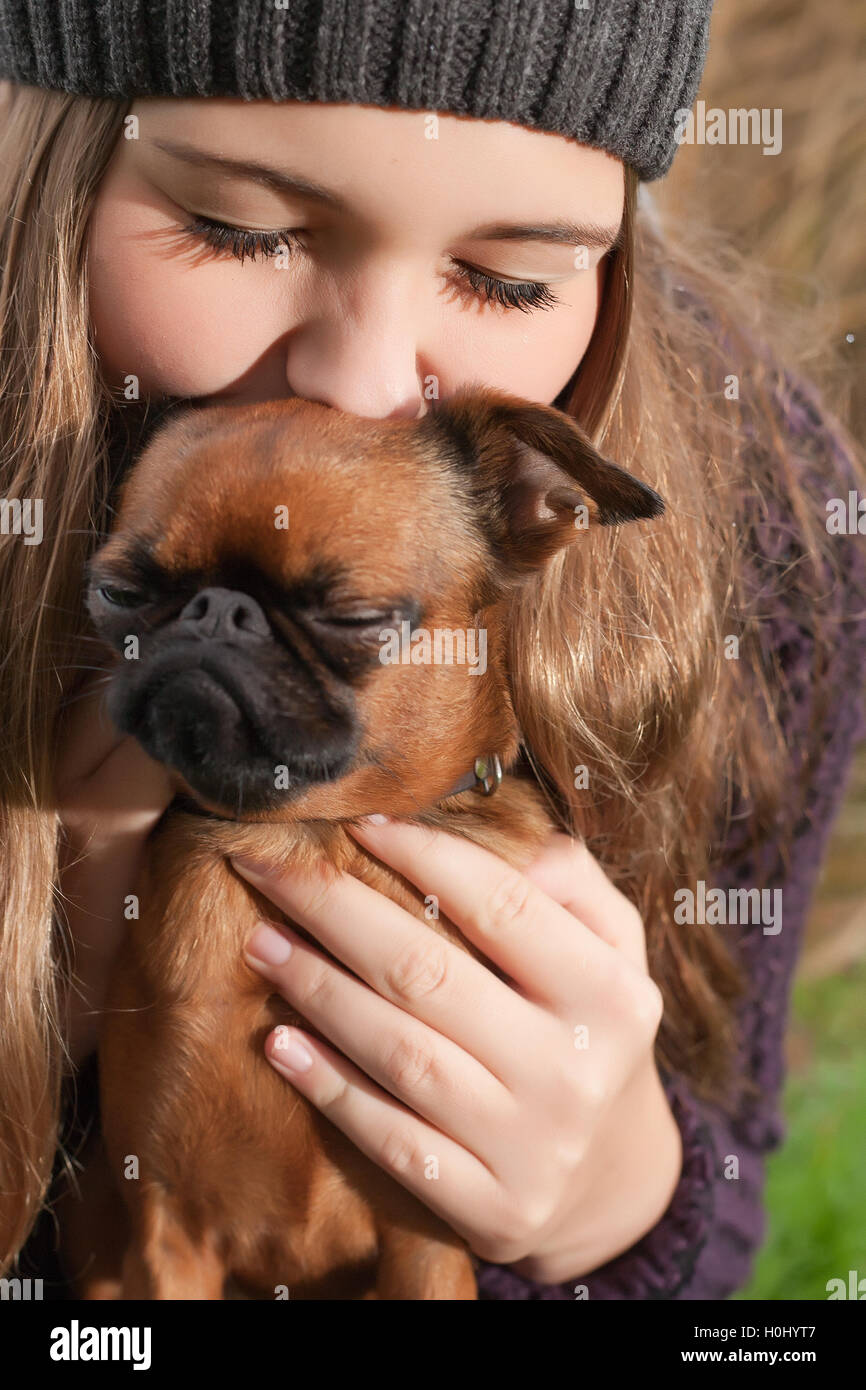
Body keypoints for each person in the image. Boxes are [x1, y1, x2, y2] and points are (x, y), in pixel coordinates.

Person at [1, 0, 864, 1300]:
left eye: (509, 279)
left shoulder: (760, 520)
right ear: (40, 155)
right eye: (241, 230)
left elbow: (720, 1192)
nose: (362, 375)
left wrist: (613, 1204)